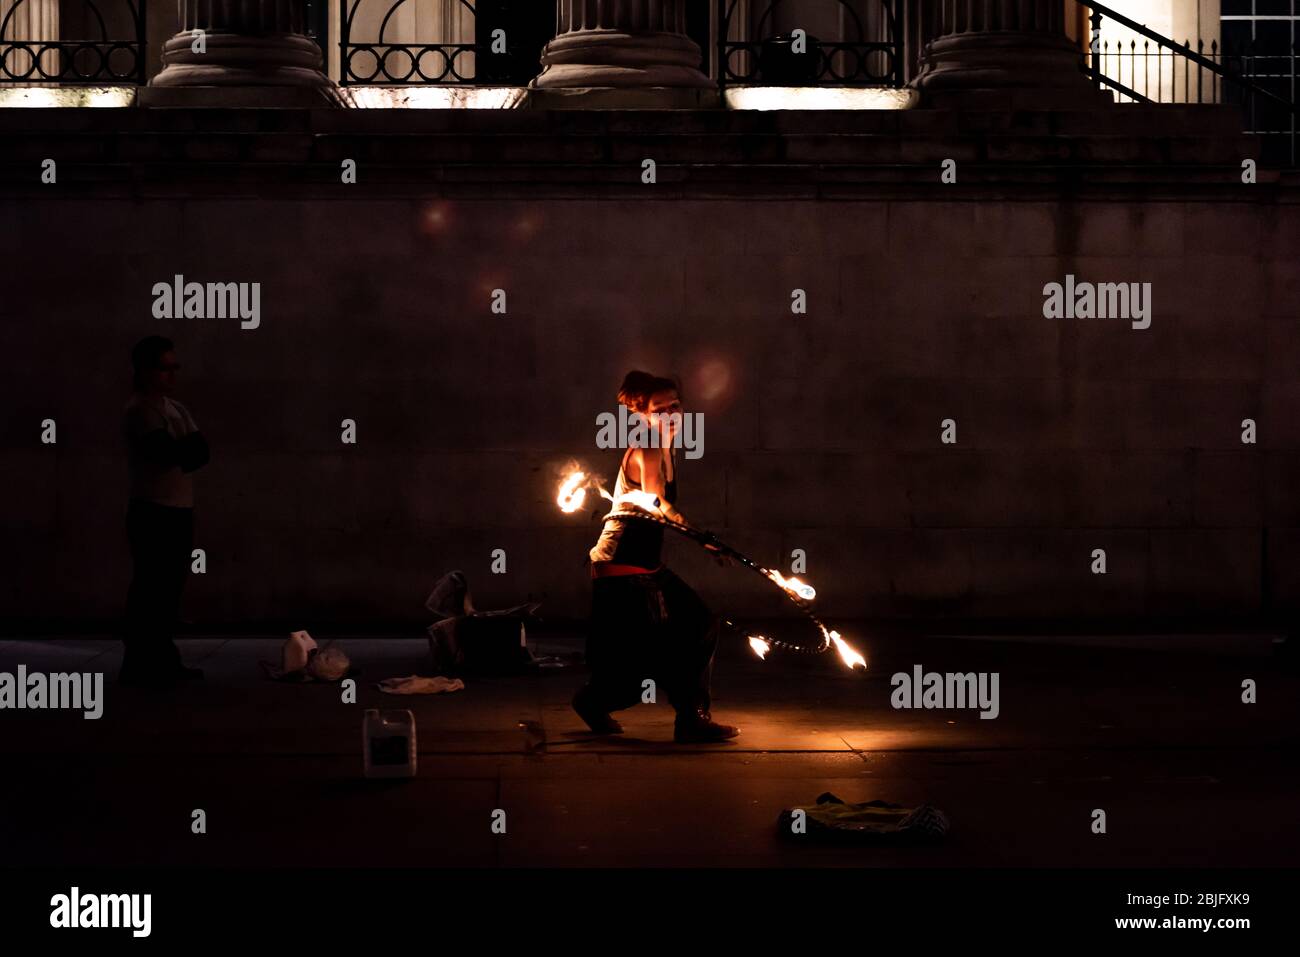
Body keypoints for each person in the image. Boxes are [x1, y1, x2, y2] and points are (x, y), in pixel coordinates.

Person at [573, 371, 739, 743]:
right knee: (675, 637)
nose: (670, 415)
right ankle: (684, 717)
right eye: (659, 409)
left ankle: (599, 701)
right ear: (643, 415)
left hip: (643, 563)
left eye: (675, 406)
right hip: (622, 563)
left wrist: (703, 539)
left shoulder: (666, 448)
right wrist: (702, 537)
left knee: (691, 628)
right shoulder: (648, 444)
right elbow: (656, 504)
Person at [119, 336, 209, 687]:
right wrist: (182, 449)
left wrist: (181, 449)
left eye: (175, 368)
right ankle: (141, 664)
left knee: (167, 592)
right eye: (164, 368)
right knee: (150, 591)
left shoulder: (175, 408)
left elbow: (200, 453)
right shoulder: (140, 410)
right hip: (152, 511)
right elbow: (168, 453)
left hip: (177, 510)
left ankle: (160, 663)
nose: (171, 375)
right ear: (144, 370)